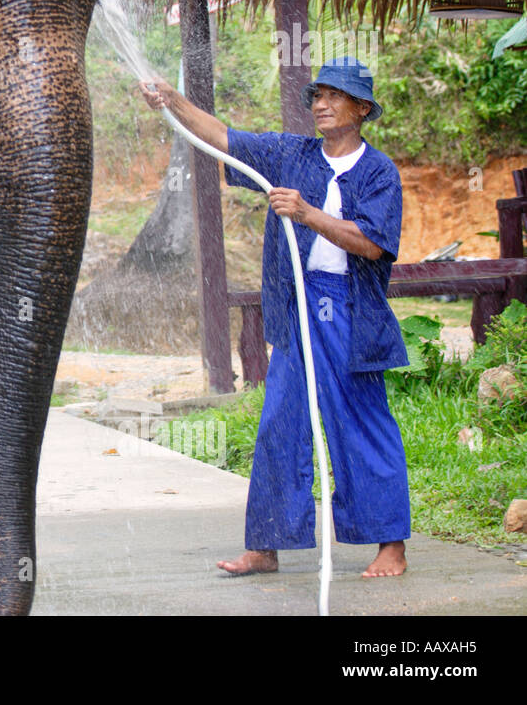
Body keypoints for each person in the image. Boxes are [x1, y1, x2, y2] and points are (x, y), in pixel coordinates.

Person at [138, 56, 410, 578]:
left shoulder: (379, 172)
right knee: (280, 423)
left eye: (334, 96)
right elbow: (223, 137)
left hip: (350, 311)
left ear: (362, 108)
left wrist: (308, 214)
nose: (322, 105)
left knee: (360, 426)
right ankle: (266, 545)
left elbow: (374, 245)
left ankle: (390, 548)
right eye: (317, 96)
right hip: (296, 306)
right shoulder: (292, 153)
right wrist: (173, 101)